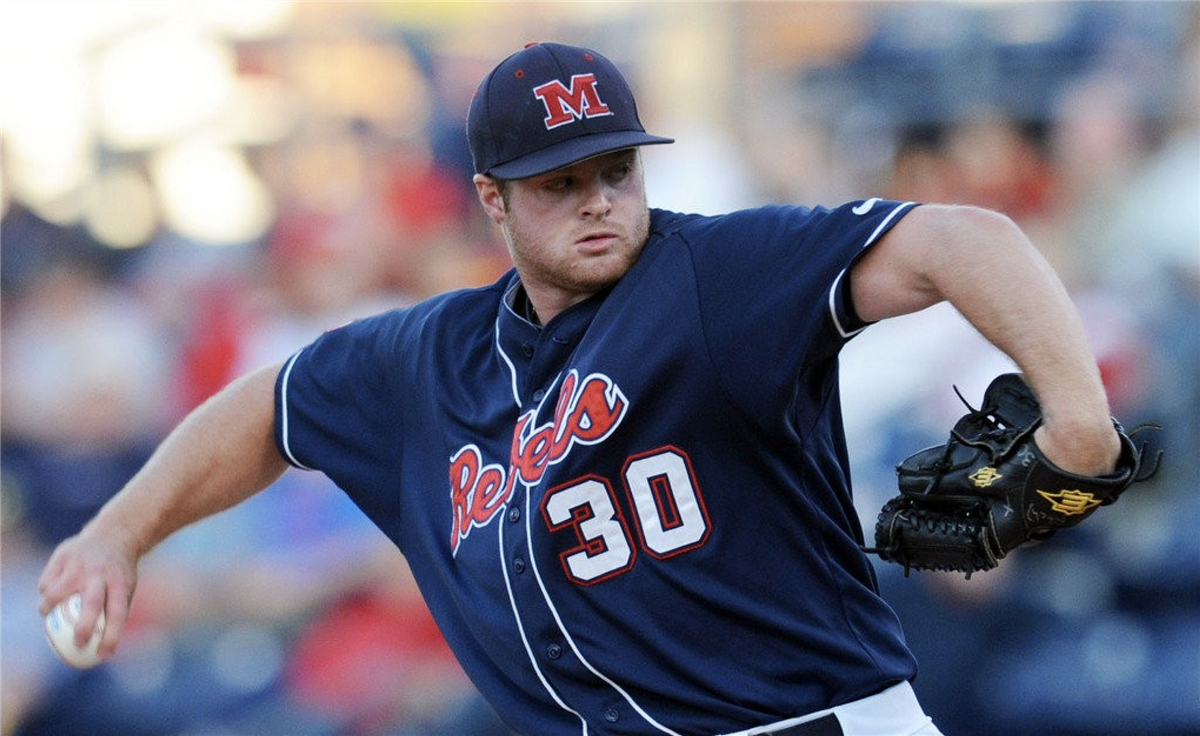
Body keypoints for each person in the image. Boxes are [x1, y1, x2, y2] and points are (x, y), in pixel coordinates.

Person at [38, 42, 1124, 736]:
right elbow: (268, 409)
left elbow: (958, 238)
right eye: (562, 183)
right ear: (492, 204)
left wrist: (1074, 419)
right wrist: (117, 535)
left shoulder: (714, 277)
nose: (601, 201)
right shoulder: (430, 359)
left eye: (617, 170)